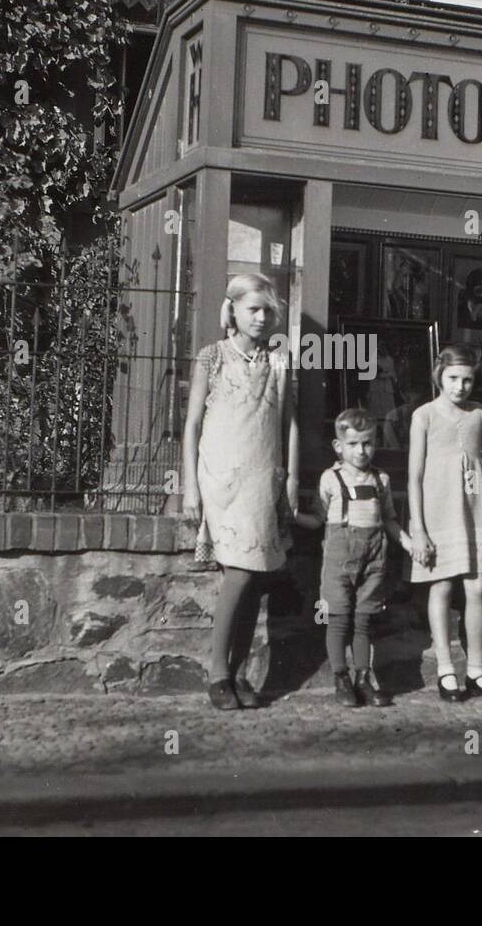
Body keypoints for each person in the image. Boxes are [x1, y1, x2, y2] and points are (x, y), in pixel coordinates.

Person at [182, 273, 298, 711]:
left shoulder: (280, 363)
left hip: (262, 478)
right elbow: (193, 424)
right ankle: (218, 673)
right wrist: (190, 486)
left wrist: (291, 481)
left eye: (268, 310)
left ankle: (241, 672)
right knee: (241, 573)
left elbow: (289, 423)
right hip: (221, 480)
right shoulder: (211, 358)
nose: (262, 317)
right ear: (232, 310)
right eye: (253, 308)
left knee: (255, 577)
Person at [407, 345, 482, 703]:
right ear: (439, 375)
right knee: (440, 587)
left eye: (467, 380)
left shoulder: (480, 414)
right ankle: (445, 671)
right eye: (453, 378)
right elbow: (414, 476)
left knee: (478, 587)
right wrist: (418, 528)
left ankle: (478, 671)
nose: (460, 387)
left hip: (473, 511)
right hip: (437, 511)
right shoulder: (424, 415)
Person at [296, 408, 419, 707]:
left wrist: (408, 542)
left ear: (375, 443)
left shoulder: (381, 479)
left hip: (374, 558)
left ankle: (363, 678)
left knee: (364, 622)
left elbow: (389, 519)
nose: (361, 450)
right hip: (338, 558)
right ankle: (342, 679)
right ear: (339, 446)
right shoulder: (330, 479)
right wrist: (293, 516)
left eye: (367, 443)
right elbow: (318, 519)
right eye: (352, 444)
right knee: (338, 620)